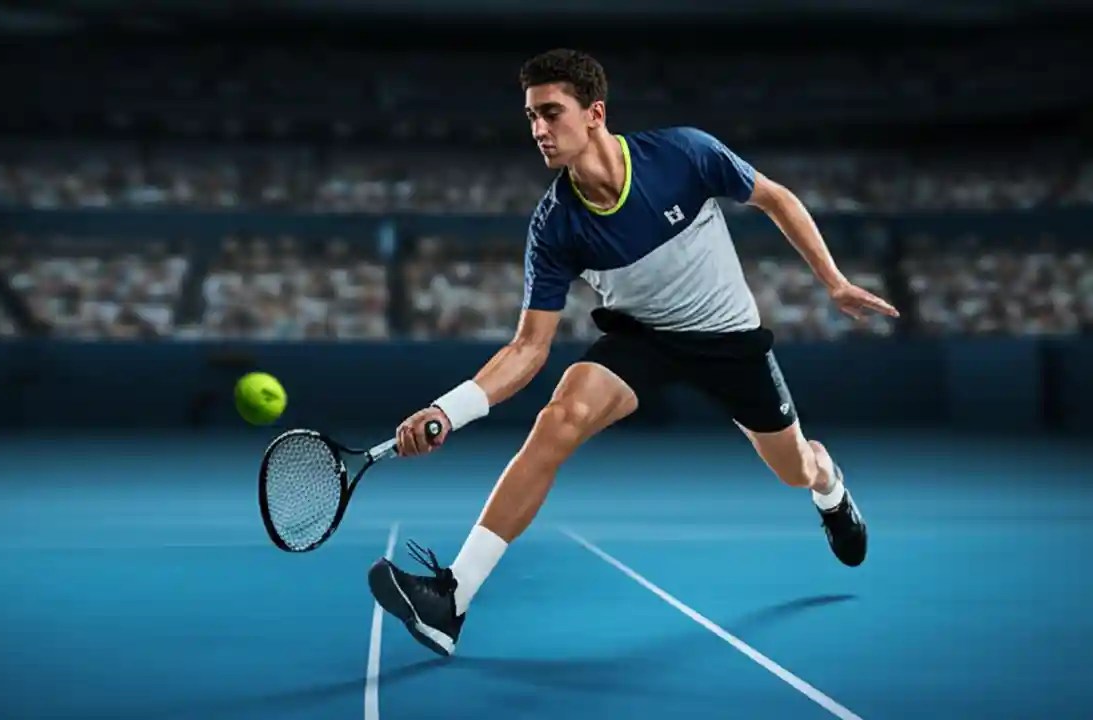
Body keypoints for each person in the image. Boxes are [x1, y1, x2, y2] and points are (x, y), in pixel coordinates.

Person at [366, 48, 899, 657]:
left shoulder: (682, 154)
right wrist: (447, 411)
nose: (538, 130)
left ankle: (828, 483)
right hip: (642, 338)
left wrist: (833, 281)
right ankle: (451, 600)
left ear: (594, 114)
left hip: (729, 340)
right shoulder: (555, 225)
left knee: (793, 470)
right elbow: (528, 347)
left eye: (551, 113)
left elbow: (775, 197)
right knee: (556, 421)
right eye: (531, 117)